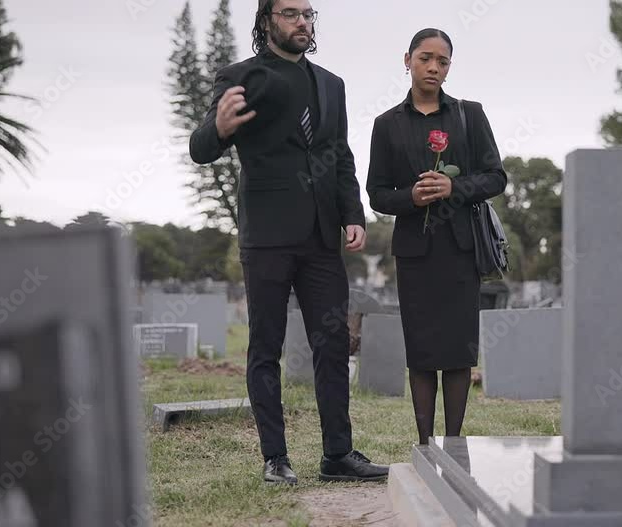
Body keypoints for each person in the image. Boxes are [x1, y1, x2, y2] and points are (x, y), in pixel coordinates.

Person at [189, 0, 388, 485]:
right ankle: (275, 459)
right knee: (266, 347)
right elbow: (200, 148)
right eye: (291, 13)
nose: (302, 21)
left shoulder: (331, 84)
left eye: (308, 14)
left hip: (322, 236)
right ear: (266, 21)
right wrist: (219, 129)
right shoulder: (240, 77)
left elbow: (339, 153)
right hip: (268, 236)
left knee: (333, 344)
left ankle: (337, 455)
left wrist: (352, 213)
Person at [365, 28, 508, 446]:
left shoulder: (469, 114)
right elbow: (377, 194)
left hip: (462, 250)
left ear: (449, 67)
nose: (433, 67)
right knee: (423, 351)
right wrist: (411, 197)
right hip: (415, 253)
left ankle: (454, 444)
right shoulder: (386, 124)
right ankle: (426, 446)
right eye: (425, 58)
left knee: (459, 351)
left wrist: (453, 188)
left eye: (442, 61)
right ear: (407, 60)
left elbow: (496, 177)